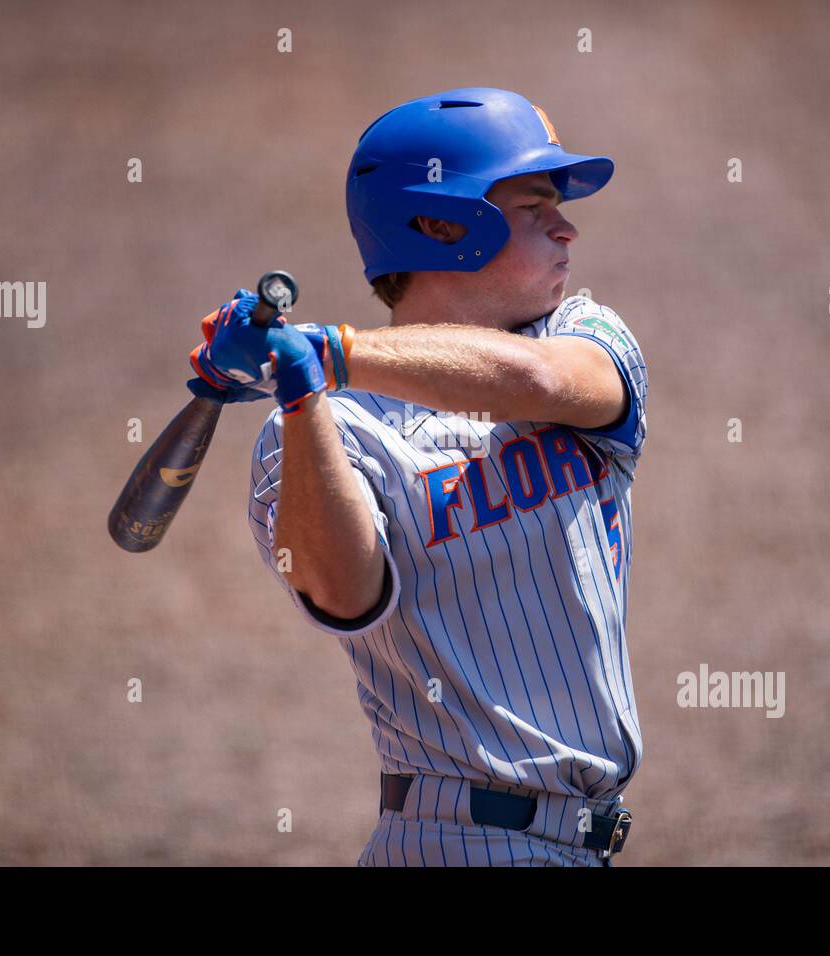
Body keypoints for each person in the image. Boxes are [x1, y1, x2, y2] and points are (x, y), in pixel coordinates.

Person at [188, 87, 646, 866]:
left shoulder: (584, 334)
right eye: (534, 206)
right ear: (443, 226)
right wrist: (304, 403)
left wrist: (330, 352)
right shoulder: (328, 431)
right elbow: (343, 591)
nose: (567, 226)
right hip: (448, 843)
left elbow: (533, 381)